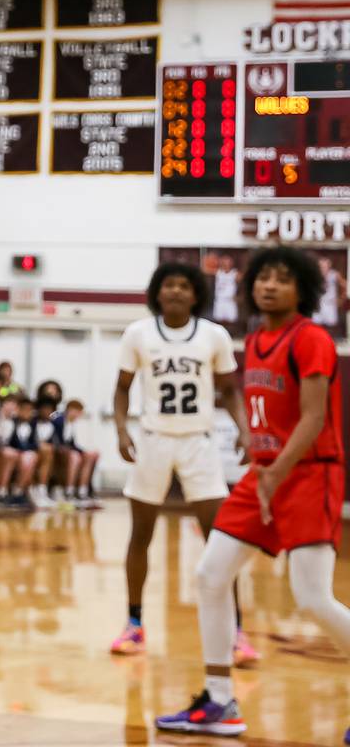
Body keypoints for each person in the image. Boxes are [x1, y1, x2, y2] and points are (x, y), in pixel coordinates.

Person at [156, 247, 349, 739]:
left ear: (302, 289)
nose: (269, 285)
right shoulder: (258, 338)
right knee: (210, 575)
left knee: (312, 599)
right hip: (264, 473)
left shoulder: (311, 339)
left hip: (307, 474)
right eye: (263, 277)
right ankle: (220, 702)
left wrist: (276, 470)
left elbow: (313, 417)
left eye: (283, 279)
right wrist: (263, 465)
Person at [111, 262, 252, 662]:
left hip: (198, 441)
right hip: (154, 440)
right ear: (157, 292)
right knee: (141, 534)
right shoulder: (137, 334)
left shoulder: (214, 336)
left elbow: (229, 390)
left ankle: (237, 630)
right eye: (168, 285)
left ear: (196, 295)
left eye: (183, 286)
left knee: (220, 538)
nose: (175, 291)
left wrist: (243, 429)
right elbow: (121, 389)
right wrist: (122, 430)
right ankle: (134, 624)